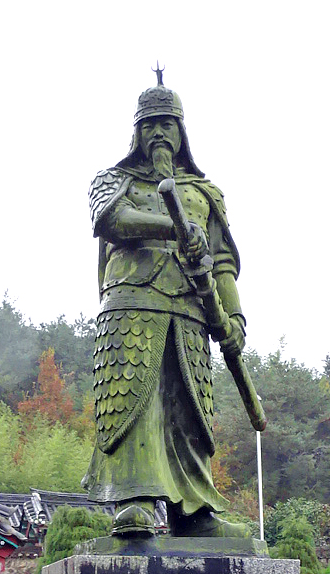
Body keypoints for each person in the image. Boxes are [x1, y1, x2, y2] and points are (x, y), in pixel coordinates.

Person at [83, 74, 249, 537]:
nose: (159, 133)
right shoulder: (114, 180)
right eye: (150, 124)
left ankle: (194, 510)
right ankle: (133, 502)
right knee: (135, 399)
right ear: (136, 133)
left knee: (190, 411)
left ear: (182, 133)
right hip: (132, 307)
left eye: (167, 124)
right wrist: (173, 229)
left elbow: (222, 261)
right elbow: (110, 219)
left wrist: (233, 316)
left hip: (192, 312)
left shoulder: (205, 194)